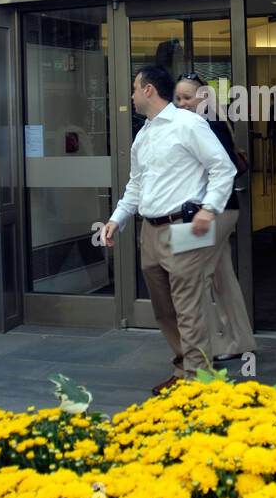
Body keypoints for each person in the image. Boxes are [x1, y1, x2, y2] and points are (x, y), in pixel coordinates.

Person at [103, 65, 236, 394]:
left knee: (188, 307)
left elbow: (224, 168)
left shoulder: (188, 124)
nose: (131, 97)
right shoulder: (143, 135)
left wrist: (210, 209)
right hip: (150, 230)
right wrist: (116, 219)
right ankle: (183, 369)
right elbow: (135, 185)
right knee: (164, 309)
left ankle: (198, 380)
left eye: (134, 89)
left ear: (148, 90)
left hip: (185, 227)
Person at [174, 75, 255, 362]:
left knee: (195, 277)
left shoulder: (211, 126)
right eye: (178, 98)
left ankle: (208, 345)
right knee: (222, 276)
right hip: (218, 211)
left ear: (203, 98)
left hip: (211, 212)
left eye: (187, 97)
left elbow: (223, 169)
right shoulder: (209, 124)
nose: (182, 103)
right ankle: (240, 340)